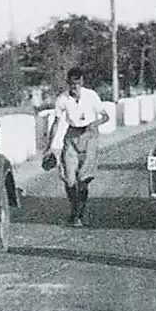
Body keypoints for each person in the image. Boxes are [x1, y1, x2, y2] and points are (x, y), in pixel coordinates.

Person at [43, 66, 111, 227]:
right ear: (68, 83)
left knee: (83, 179)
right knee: (69, 179)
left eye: (78, 83)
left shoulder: (91, 96)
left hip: (89, 135)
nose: (75, 87)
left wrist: (96, 123)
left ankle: (79, 213)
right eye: (72, 84)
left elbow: (105, 116)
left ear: (82, 82)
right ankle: (74, 209)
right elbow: (56, 123)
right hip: (72, 135)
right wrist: (49, 146)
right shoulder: (63, 99)